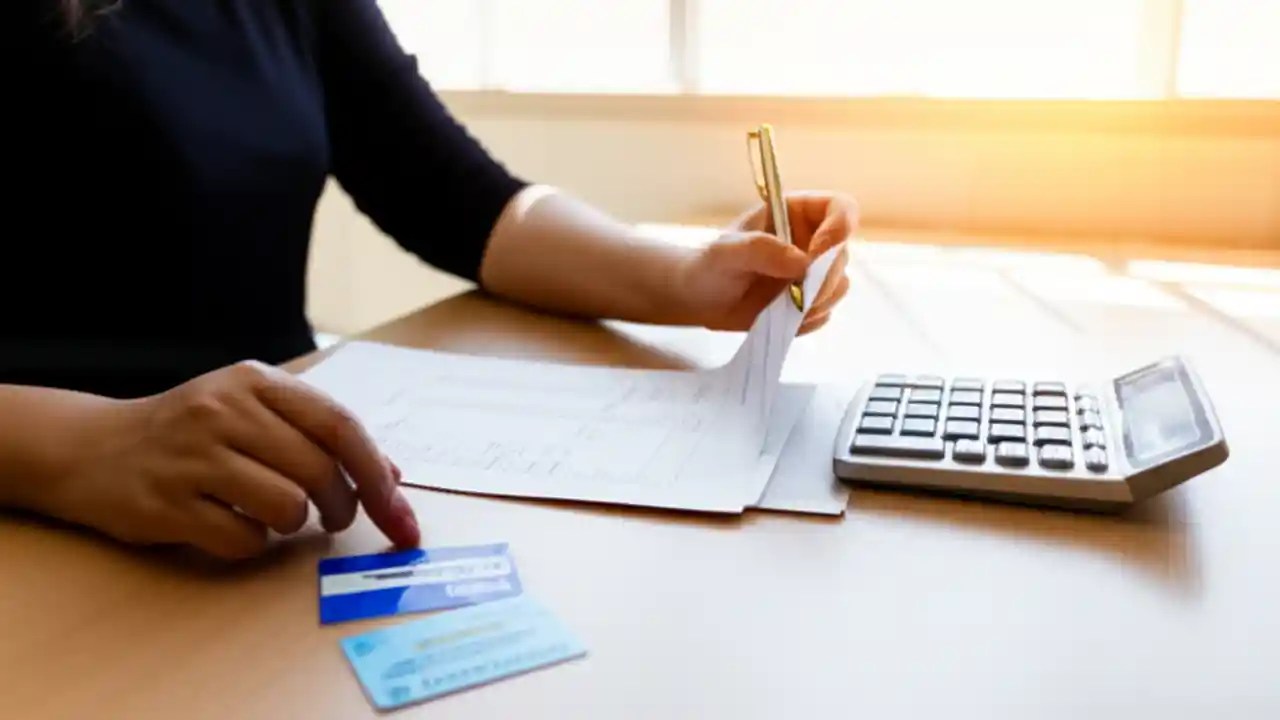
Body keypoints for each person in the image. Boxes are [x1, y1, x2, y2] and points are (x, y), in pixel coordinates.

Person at [0, 0, 855, 561]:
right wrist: (88, 446)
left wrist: (684, 278)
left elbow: (462, 200)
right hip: (46, 538)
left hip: (277, 515)